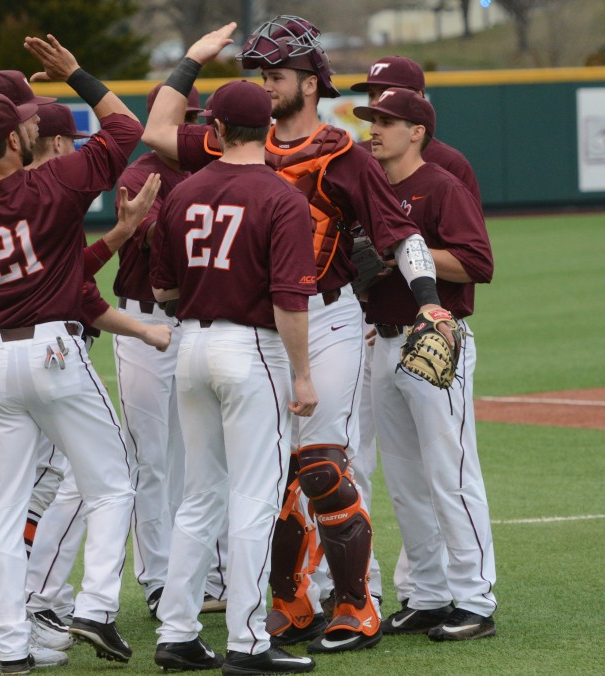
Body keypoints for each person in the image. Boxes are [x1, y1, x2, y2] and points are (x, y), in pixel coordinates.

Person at [144, 17, 452, 654]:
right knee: (275, 475)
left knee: (322, 466)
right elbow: (152, 131)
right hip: (256, 331)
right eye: (261, 75)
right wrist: (192, 60)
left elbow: (403, 237)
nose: (266, 84)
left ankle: (356, 601)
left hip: (328, 316)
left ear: (310, 83)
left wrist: (429, 304)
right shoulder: (233, 144)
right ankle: (289, 599)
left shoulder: (344, 154)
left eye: (276, 74)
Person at [0, 34, 150, 674]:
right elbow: (127, 128)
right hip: (55, 353)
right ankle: (95, 606)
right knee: (113, 478)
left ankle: (10, 646)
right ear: (14, 142)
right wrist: (77, 74)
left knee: (4, 510)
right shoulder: (56, 183)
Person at [149, 79, 318, 675]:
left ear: (215, 130)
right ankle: (248, 643)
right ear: (267, 130)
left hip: (190, 344)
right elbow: (289, 301)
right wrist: (302, 374)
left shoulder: (183, 191)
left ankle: (177, 633)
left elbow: (162, 288)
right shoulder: (282, 197)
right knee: (253, 497)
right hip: (253, 350)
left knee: (199, 495)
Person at [353, 88, 498, 640]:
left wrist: (402, 251)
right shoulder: (367, 188)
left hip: (435, 339)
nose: (374, 128)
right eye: (371, 119)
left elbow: (477, 263)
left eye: (385, 120)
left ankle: (476, 599)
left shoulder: (441, 187)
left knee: (451, 473)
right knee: (406, 480)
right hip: (380, 343)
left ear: (416, 130)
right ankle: (431, 595)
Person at [112, 82, 230, 619]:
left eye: (200, 119)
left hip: (195, 324)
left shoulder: (216, 169)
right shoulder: (141, 174)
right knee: (150, 457)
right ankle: (158, 577)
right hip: (141, 319)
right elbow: (171, 243)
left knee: (198, 455)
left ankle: (202, 573)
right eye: (187, 118)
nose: (195, 129)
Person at [350, 55, 481, 204]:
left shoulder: (450, 162)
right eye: (371, 94)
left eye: (386, 92)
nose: (374, 101)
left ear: (418, 97)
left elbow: (466, 225)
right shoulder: (358, 158)